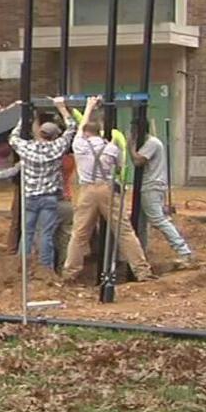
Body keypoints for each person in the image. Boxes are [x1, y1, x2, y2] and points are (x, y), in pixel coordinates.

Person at [61, 100, 155, 283]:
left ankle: (69, 273)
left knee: (79, 234)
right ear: (100, 130)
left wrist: (89, 106)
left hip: (87, 190)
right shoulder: (112, 147)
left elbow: (80, 129)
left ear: (86, 132)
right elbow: (120, 169)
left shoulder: (79, 144)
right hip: (107, 189)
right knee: (124, 232)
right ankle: (142, 271)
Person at [6, 97, 78, 273]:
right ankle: (45, 270)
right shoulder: (58, 147)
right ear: (54, 135)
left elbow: (13, 137)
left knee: (27, 232)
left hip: (30, 196)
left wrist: (24, 115)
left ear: (40, 133)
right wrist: (61, 107)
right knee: (46, 234)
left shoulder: (27, 148)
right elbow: (72, 128)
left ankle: (22, 267)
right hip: (49, 197)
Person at [132, 130, 195, 267]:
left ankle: (184, 252)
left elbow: (138, 161)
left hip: (152, 187)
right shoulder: (151, 143)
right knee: (141, 222)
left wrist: (130, 146)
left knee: (158, 219)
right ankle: (140, 252)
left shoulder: (151, 143)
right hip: (150, 186)